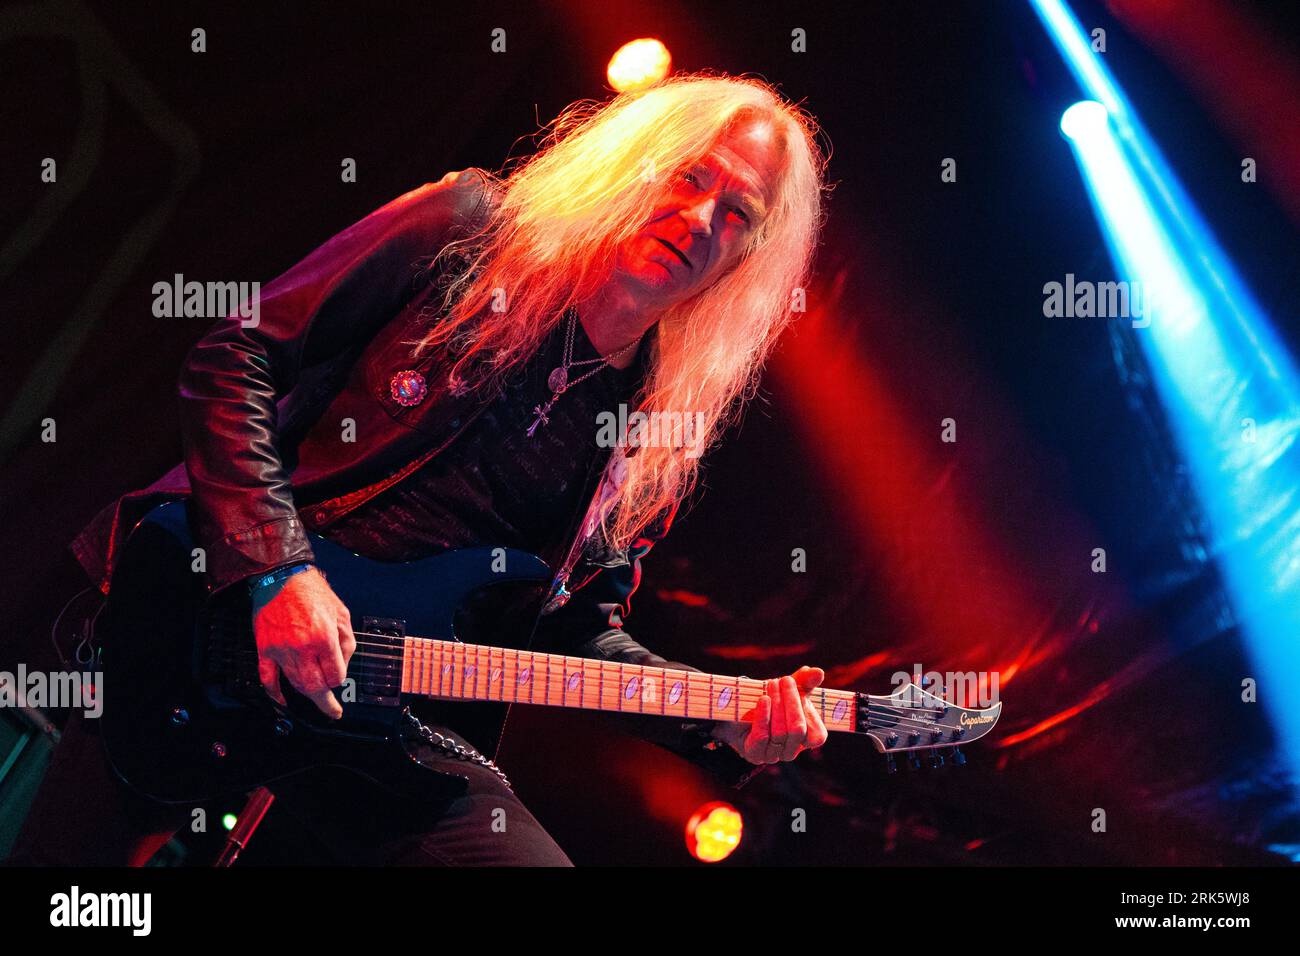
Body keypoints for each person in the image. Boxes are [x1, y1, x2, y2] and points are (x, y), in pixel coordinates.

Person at [12, 72, 831, 866]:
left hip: (391, 716)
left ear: (745, 259)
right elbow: (236, 356)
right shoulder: (469, 229)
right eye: (690, 177)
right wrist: (278, 572)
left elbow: (575, 626)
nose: (698, 218)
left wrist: (717, 719)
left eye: (736, 214)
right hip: (219, 620)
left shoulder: (654, 428)